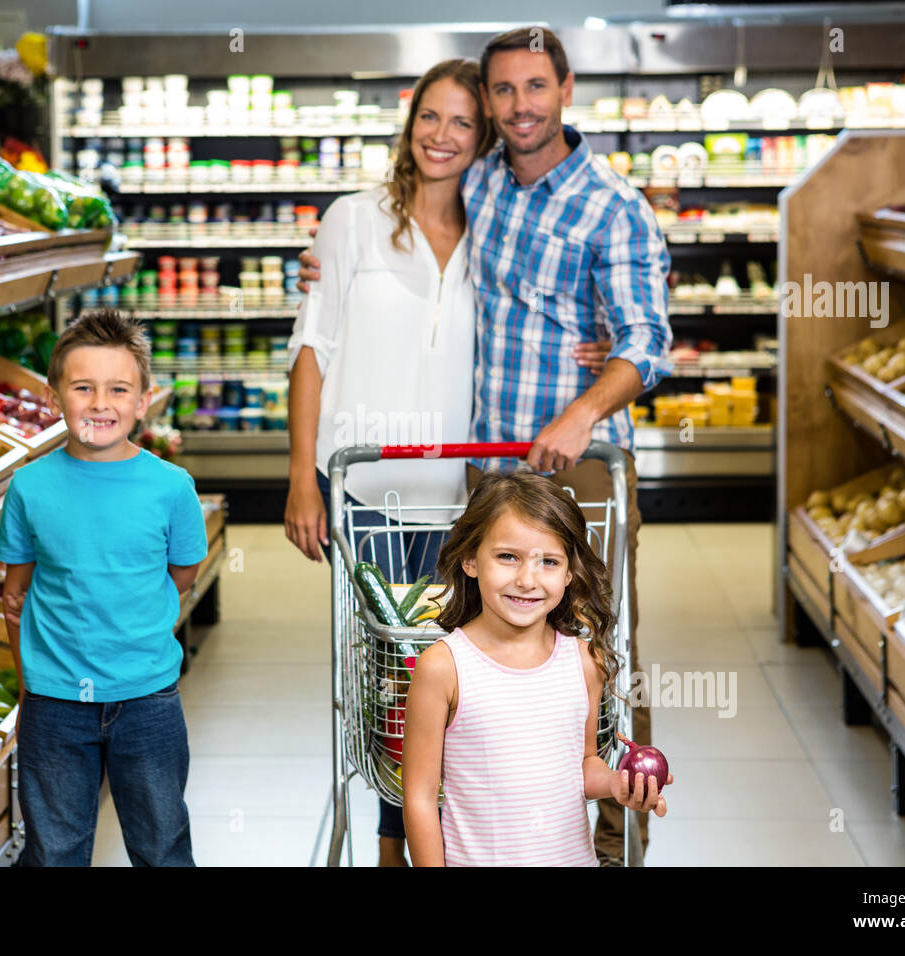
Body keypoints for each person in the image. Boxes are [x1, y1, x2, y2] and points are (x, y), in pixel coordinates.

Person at [301, 26, 673, 865]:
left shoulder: (615, 205)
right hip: (485, 473)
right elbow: (401, 223)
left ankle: (610, 841)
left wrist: (586, 404)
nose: (518, 108)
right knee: (477, 656)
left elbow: (649, 340)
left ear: (566, 89)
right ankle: (471, 830)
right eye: (502, 93)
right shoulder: (487, 185)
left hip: (579, 470)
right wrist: (328, 261)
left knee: (594, 653)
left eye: (534, 88)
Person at [0, 308, 209, 867]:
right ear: (53, 398)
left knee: (163, 842)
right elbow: (15, 595)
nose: (100, 403)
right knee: (55, 849)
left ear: (143, 401)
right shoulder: (29, 486)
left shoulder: (171, 488)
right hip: (55, 702)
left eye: (118, 389)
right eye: (82, 387)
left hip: (148, 698)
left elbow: (181, 573)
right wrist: (29, 687)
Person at [402, 471, 670, 866]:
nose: (527, 580)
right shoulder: (445, 667)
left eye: (548, 561)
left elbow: (582, 765)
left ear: (569, 573)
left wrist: (617, 784)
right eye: (507, 556)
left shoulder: (583, 662)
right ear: (470, 559)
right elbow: (420, 798)